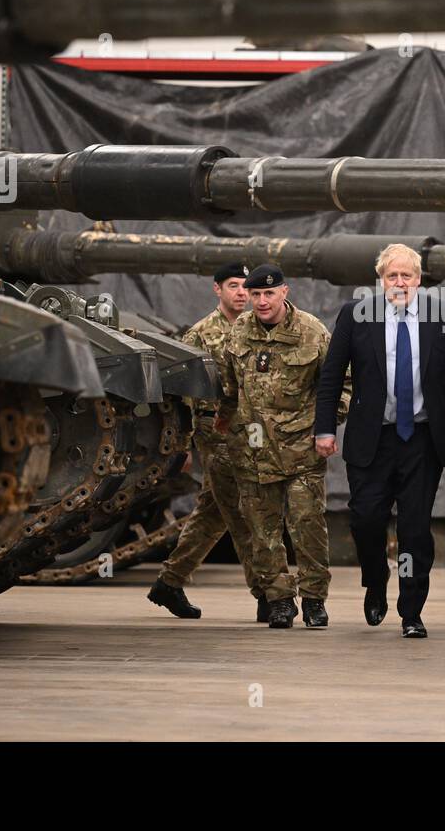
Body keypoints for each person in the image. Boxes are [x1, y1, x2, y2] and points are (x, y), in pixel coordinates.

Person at [314, 243, 445, 639]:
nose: (399, 283)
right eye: (391, 276)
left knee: (414, 529)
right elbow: (330, 377)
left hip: (421, 440)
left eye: (405, 276)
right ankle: (376, 581)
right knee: (366, 519)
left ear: (418, 279)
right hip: (371, 438)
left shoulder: (442, 315)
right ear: (380, 281)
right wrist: (324, 428)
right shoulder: (356, 315)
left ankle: (412, 611)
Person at [215, 264, 348, 629]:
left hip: (300, 449)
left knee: (307, 524)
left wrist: (324, 428)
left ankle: (315, 599)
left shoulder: (312, 332)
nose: (260, 301)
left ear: (284, 292)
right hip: (252, 450)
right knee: (262, 531)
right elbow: (227, 387)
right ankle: (279, 600)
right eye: (254, 294)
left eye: (268, 294)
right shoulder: (238, 331)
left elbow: (340, 384)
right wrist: (222, 428)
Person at [147, 262, 270, 622]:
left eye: (245, 286)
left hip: (251, 432)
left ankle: (169, 582)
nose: (242, 293)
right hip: (213, 433)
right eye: (233, 285)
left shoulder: (257, 329)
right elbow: (178, 395)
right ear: (217, 290)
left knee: (213, 513)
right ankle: (266, 593)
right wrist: (180, 444)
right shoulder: (200, 335)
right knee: (242, 511)